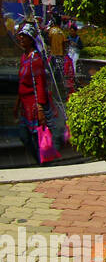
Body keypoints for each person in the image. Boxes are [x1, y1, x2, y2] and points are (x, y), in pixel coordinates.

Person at [15, 24, 53, 164]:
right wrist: (17, 104)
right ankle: (41, 161)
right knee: (25, 136)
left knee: (35, 137)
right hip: (25, 106)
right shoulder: (24, 57)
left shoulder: (35, 59)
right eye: (20, 36)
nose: (21, 38)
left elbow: (40, 84)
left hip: (34, 106)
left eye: (24, 36)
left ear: (31, 40)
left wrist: (40, 108)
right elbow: (21, 82)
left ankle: (43, 163)